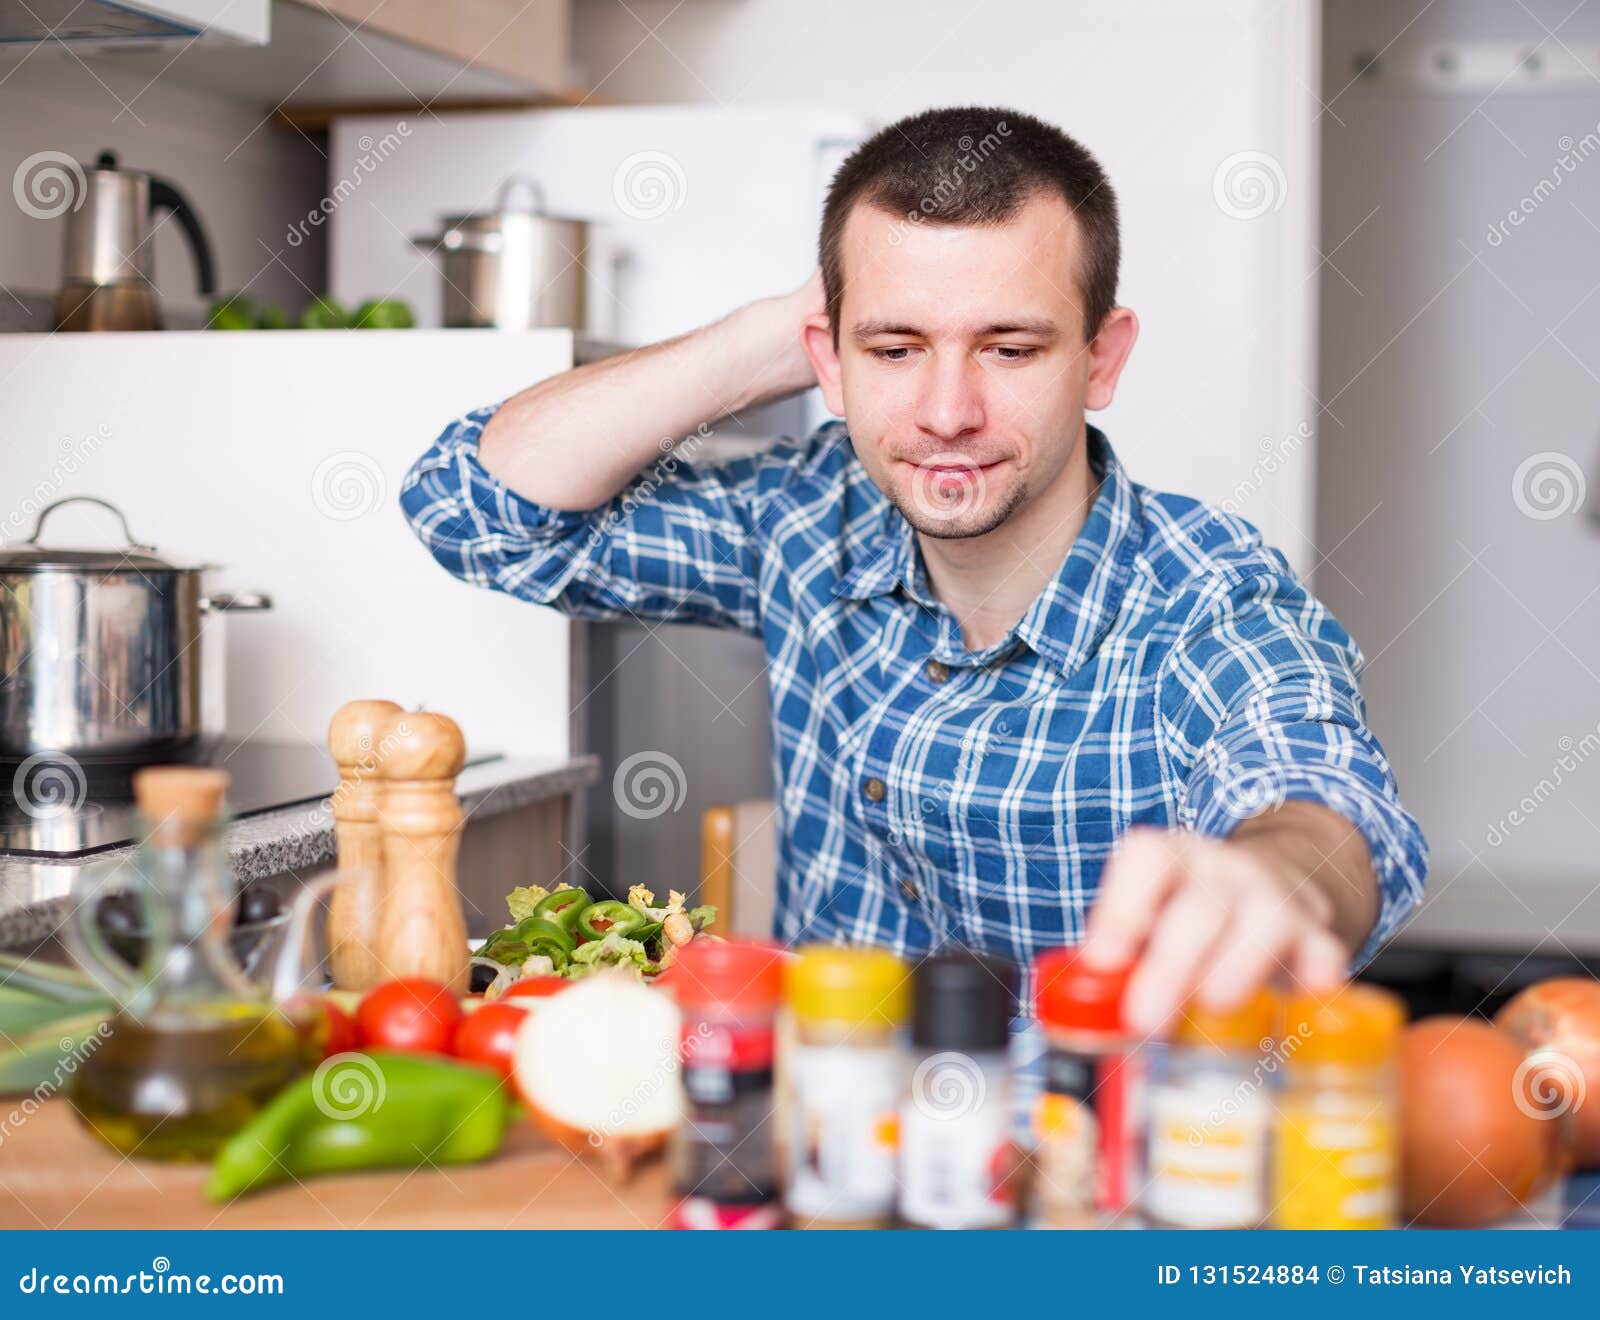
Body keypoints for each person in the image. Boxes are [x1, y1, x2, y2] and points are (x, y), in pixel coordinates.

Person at [401, 105, 1427, 1034]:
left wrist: (1277, 876)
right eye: (895, 350)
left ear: (1101, 358)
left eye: (1009, 349)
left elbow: (1315, 791)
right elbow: (474, 511)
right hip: (817, 1141)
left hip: (1075, 1161)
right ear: (830, 356)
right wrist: (770, 344)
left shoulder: (1205, 594)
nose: (946, 414)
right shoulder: (807, 517)